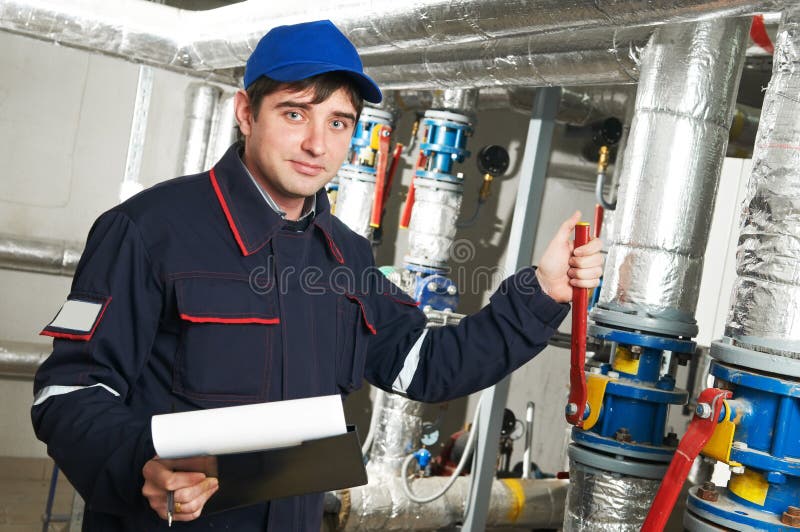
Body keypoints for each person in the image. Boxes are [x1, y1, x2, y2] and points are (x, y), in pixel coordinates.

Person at [31, 19, 603, 531]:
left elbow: (424, 365)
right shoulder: (147, 231)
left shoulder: (346, 257)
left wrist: (543, 293)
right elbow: (68, 391)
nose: (316, 144)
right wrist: (139, 466)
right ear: (246, 111)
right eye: (295, 113)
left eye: (338, 123)